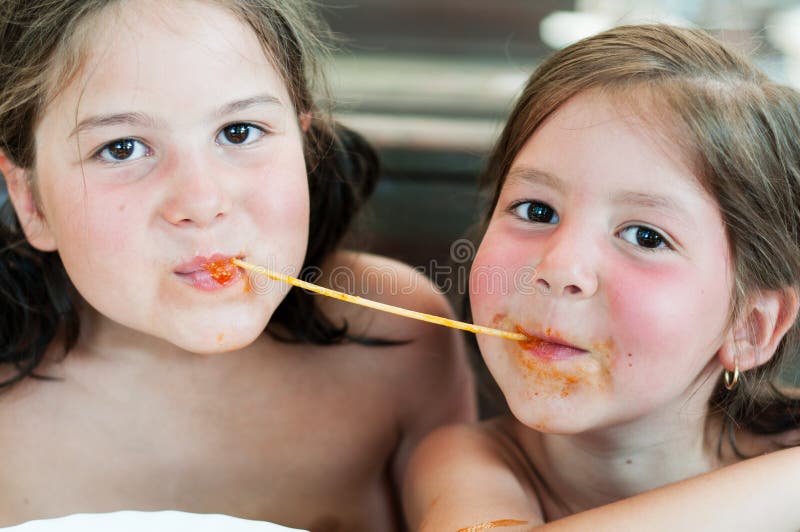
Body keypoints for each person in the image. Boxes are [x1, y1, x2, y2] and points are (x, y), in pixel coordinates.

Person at [0, 1, 475, 530]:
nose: (202, 203)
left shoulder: (400, 338)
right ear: (30, 200)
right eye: (122, 147)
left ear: (304, 145)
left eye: (239, 132)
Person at [404, 24, 800, 531]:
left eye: (645, 237)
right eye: (537, 210)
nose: (560, 268)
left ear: (750, 326)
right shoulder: (468, 462)